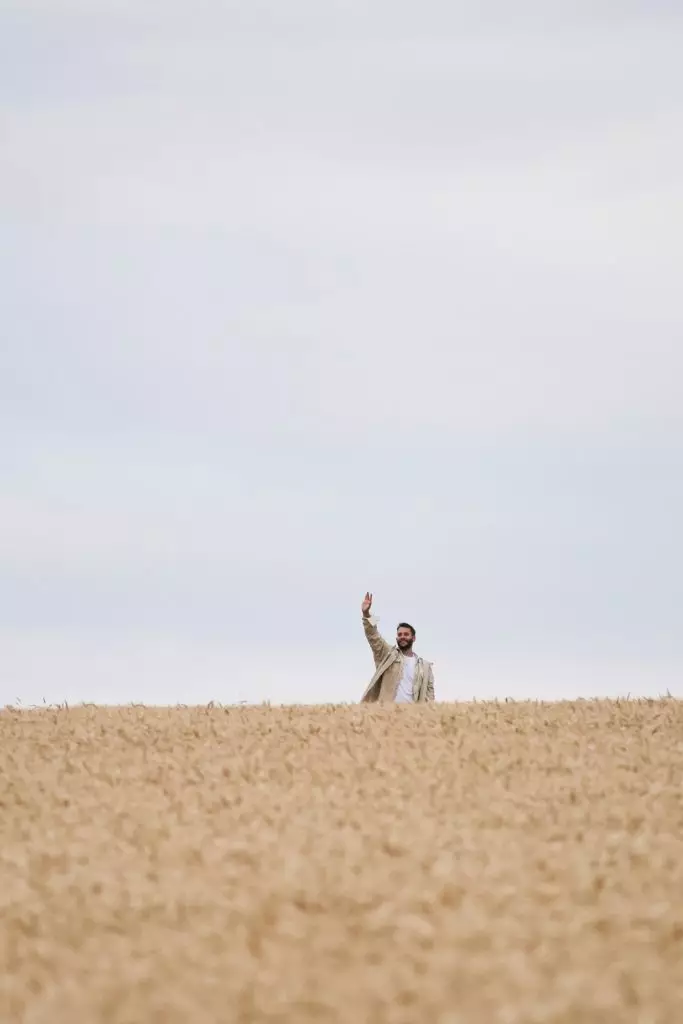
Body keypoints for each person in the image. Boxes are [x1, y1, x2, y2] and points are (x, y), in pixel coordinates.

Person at [359, 592, 435, 703]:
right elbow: (373, 635)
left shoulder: (425, 667)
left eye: (406, 634)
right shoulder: (388, 655)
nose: (402, 637)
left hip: (412, 716)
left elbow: (430, 696)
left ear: (413, 638)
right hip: (386, 714)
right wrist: (367, 614)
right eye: (399, 635)